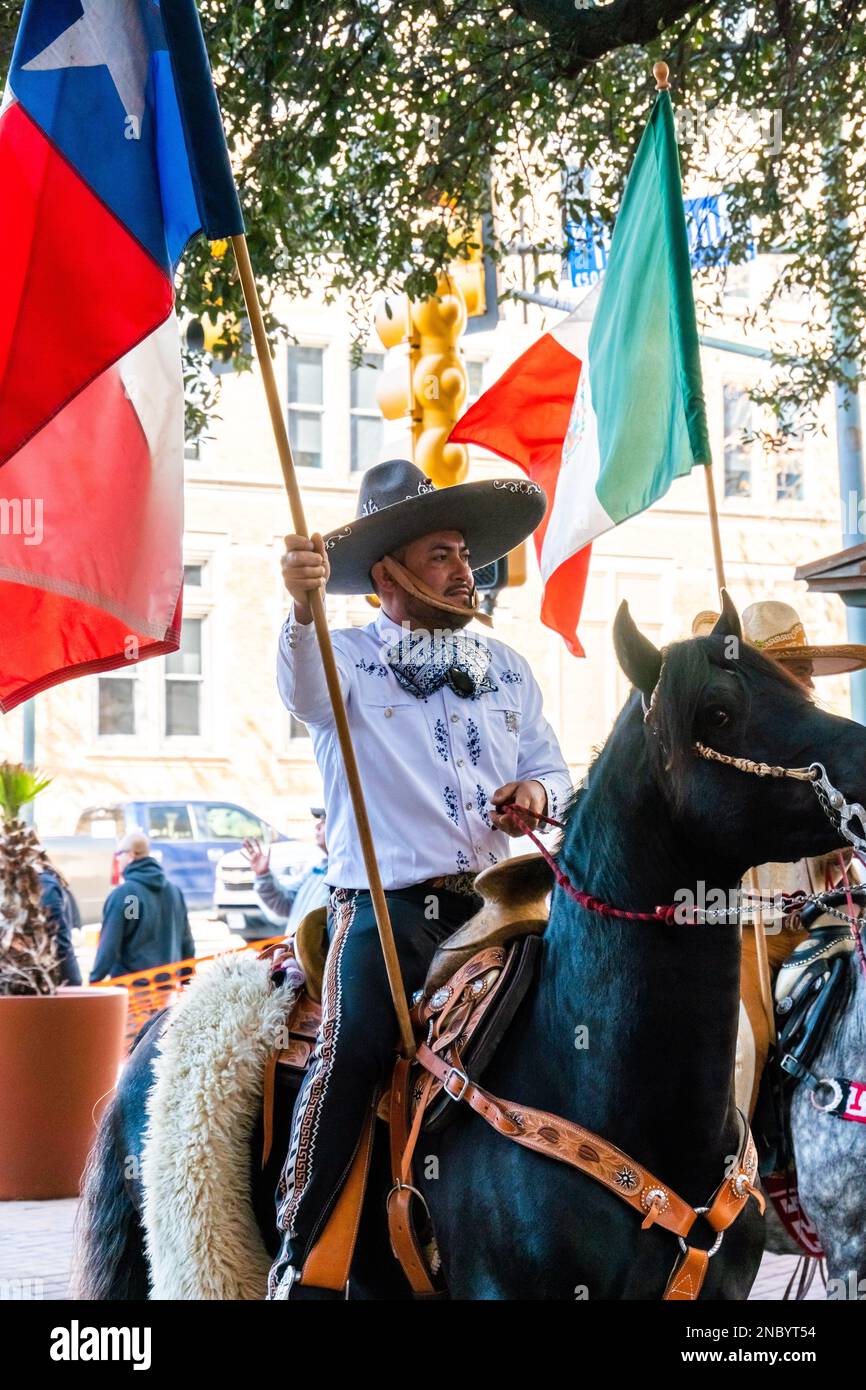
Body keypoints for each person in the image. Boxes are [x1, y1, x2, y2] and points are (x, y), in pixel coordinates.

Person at [270, 457, 570, 1298]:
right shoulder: (344, 659)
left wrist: (537, 793)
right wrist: (301, 604)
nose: (464, 571)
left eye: (465, 554)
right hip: (389, 909)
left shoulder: (509, 666)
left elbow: (557, 768)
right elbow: (296, 685)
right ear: (388, 572)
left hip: (502, 904)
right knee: (357, 1038)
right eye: (442, 554)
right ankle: (301, 1254)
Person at [693, 599, 866, 1114]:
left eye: (806, 669)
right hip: (744, 930)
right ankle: (731, 1178)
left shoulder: (827, 742)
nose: (805, 681)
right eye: (792, 671)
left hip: (823, 919)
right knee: (748, 1048)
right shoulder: (732, 748)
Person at [89, 831, 195, 982]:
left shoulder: (128, 895)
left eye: (119, 853)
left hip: (134, 991)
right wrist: (186, 983)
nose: (117, 859)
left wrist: (94, 980)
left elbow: (110, 945)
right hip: (168, 988)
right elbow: (187, 943)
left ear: (131, 855)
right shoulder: (174, 892)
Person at [242, 806, 330, 933]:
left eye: (325, 820)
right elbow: (285, 903)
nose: (317, 826)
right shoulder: (317, 868)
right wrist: (263, 875)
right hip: (298, 950)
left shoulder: (347, 878)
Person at [38, 853, 82, 987]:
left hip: (53, 979)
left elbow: (59, 941)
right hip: (54, 976)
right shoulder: (52, 880)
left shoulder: (43, 885)